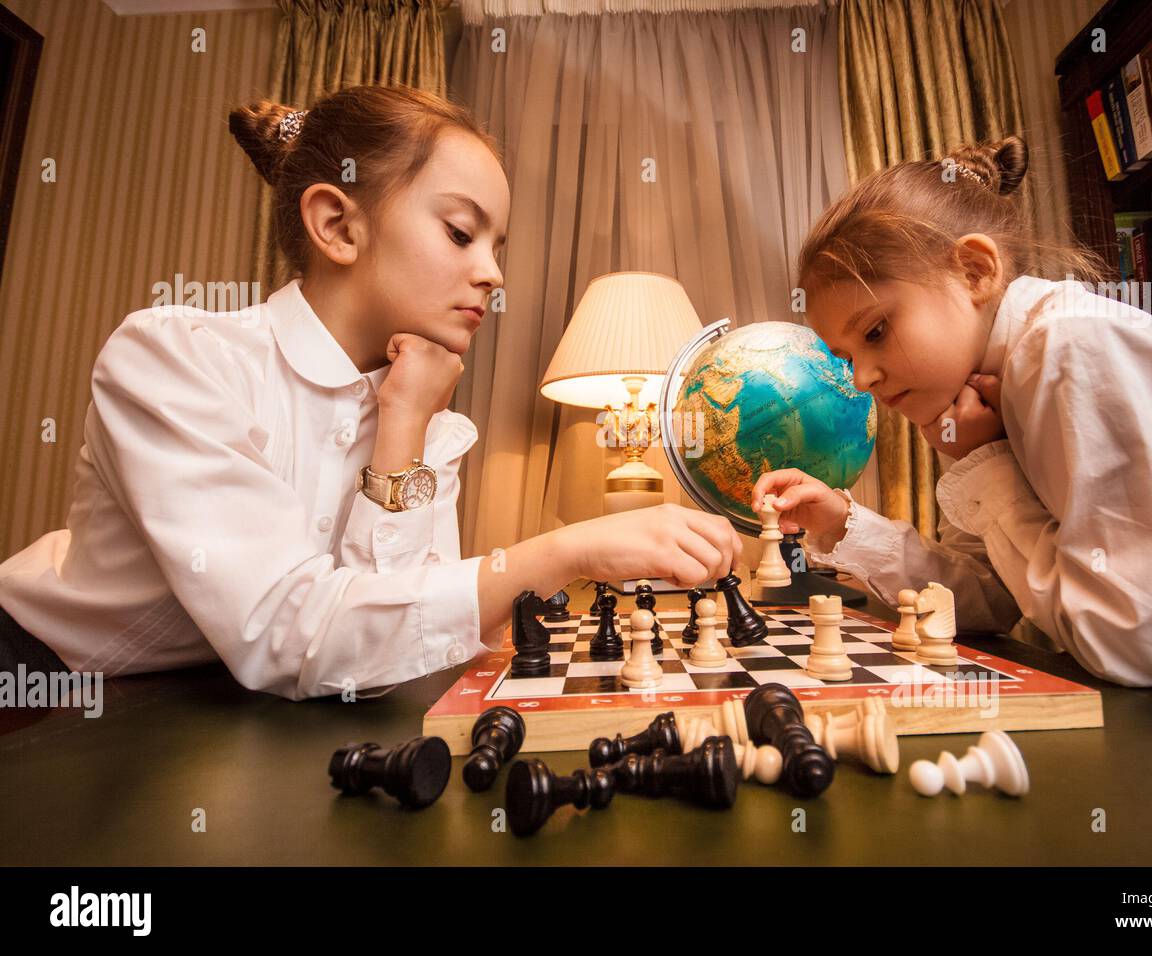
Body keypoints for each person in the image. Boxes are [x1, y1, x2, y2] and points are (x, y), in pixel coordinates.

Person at [0, 85, 741, 700]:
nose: (493, 274)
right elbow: (288, 636)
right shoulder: (175, 360)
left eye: (496, 246)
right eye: (461, 233)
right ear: (335, 225)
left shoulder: (420, 404)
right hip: (47, 687)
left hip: (218, 706)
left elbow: (371, 661)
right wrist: (568, 550)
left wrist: (405, 420)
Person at [754, 136, 1152, 693]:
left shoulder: (1067, 347)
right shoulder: (974, 398)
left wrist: (985, 465)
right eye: (845, 358)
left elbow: (1143, 642)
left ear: (973, 271)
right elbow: (990, 598)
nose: (861, 378)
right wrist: (842, 523)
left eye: (875, 331)